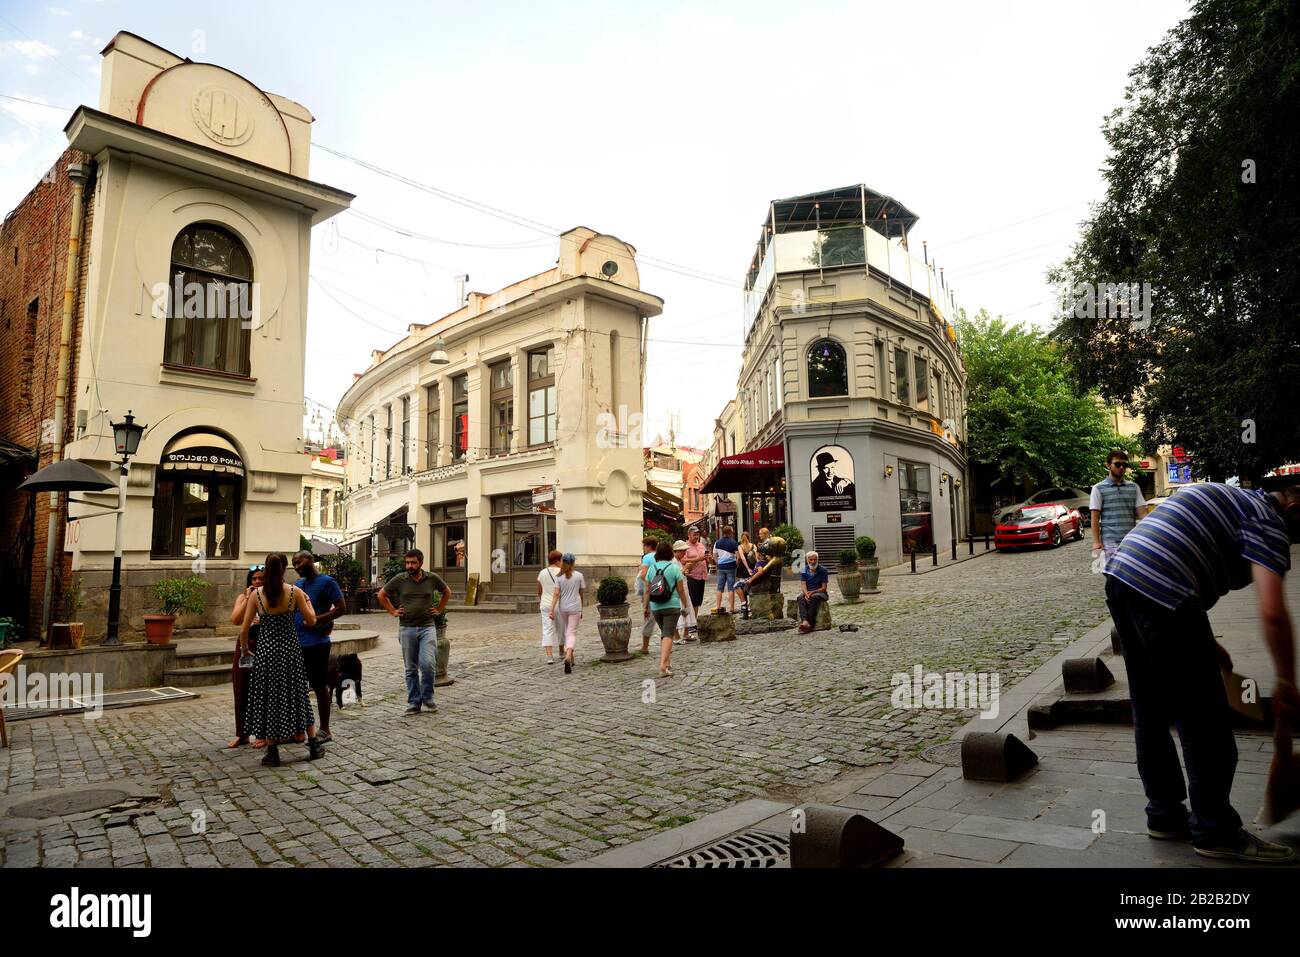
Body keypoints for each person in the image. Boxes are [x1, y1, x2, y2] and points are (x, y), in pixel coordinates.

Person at [1104, 481, 1300, 863]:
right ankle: (1216, 831)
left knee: (1150, 708)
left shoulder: (1234, 498)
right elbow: (1273, 611)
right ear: (1293, 514)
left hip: (1123, 577)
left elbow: (1182, 553)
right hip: (1163, 591)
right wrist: (1286, 681)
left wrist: (1205, 644)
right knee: (1204, 719)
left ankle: (1164, 815)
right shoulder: (1269, 523)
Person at [239, 553, 324, 767]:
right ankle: (313, 744)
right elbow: (312, 620)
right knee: (297, 695)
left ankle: (272, 750)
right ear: (285, 568)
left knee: (268, 698)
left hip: (266, 653)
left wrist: (244, 650)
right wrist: (309, 603)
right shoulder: (295, 592)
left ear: (266, 570)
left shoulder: (257, 594)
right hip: (289, 652)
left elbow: (243, 628)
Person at [376, 549, 451, 715]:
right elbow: (381, 595)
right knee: (410, 668)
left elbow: (447, 591)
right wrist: (393, 611)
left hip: (427, 627)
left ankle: (428, 699)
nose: (410, 566)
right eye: (407, 563)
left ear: (421, 563)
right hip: (407, 628)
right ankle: (414, 703)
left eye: (413, 563)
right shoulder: (400, 579)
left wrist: (438, 609)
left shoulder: (431, 578)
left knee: (428, 664)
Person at [292, 551, 346, 744]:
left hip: (317, 643)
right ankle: (298, 730)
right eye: (294, 564)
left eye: (299, 562)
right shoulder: (297, 585)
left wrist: (317, 620)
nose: (297, 566)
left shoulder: (327, 582)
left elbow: (341, 608)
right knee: (298, 687)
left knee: (319, 685)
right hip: (297, 642)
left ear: (311, 560)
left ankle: (325, 729)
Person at [226, 565, 265, 749]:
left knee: (262, 689)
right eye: (254, 578)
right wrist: (248, 599)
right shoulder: (243, 597)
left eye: (260, 578)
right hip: (244, 645)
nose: (257, 581)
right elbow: (235, 619)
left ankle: (263, 733)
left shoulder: (268, 597)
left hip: (263, 644)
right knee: (241, 688)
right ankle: (242, 734)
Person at [1091, 450, 1148, 562]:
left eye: (1124, 465)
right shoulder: (1098, 488)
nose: (1121, 467)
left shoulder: (1134, 487)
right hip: (1109, 542)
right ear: (1108, 465)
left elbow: (1143, 514)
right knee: (1113, 575)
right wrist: (1096, 542)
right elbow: (1095, 517)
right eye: (1117, 464)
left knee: (1130, 574)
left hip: (1130, 540)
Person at [644, 541, 690, 678]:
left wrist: (646, 607)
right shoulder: (674, 568)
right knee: (668, 634)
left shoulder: (652, 568)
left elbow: (647, 590)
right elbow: (681, 590)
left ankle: (668, 662)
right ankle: (663, 666)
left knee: (665, 634)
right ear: (670, 553)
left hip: (656, 606)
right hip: (672, 605)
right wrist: (685, 605)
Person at [547, 552, 585, 674]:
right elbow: (581, 594)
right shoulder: (579, 576)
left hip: (563, 608)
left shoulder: (559, 577)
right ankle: (568, 656)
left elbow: (556, 594)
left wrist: (551, 609)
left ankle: (571, 658)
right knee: (571, 633)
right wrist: (582, 608)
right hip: (575, 607)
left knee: (567, 631)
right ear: (573, 563)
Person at [680, 527, 708, 639]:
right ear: (689, 535)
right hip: (692, 576)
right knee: (692, 600)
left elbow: (704, 558)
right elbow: (682, 560)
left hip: (702, 575)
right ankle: (690, 624)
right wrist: (698, 559)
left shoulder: (701, 545)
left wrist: (707, 558)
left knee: (698, 601)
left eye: (697, 535)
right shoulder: (685, 547)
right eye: (694, 535)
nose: (696, 537)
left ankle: (694, 622)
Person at [537, 549, 563, 663]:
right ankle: (562, 651)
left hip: (546, 604)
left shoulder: (542, 572)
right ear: (557, 560)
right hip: (559, 604)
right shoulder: (562, 572)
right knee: (561, 628)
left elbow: (539, 590)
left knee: (547, 629)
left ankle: (549, 656)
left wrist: (542, 599)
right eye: (561, 560)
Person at [635, 537, 659, 654]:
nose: (643, 549)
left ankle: (645, 646)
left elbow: (643, 575)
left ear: (648, 546)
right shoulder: (660, 555)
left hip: (650, 589)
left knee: (648, 616)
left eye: (644, 546)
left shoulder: (647, 557)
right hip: (661, 587)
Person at [797, 550, 829, 633]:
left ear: (817, 560)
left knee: (814, 597)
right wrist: (806, 594)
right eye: (811, 560)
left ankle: (809, 624)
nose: (813, 562)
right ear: (807, 560)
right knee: (800, 597)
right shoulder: (804, 570)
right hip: (808, 592)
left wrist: (812, 593)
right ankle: (805, 621)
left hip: (821, 593)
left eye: (815, 559)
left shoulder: (823, 570)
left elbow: (824, 587)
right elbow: (803, 585)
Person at [712, 524, 740, 614]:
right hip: (731, 567)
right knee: (731, 588)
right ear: (729, 532)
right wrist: (736, 563)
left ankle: (718, 607)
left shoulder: (717, 543)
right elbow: (738, 557)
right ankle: (731, 608)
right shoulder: (733, 542)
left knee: (719, 588)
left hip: (721, 567)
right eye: (732, 531)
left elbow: (714, 555)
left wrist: (718, 563)